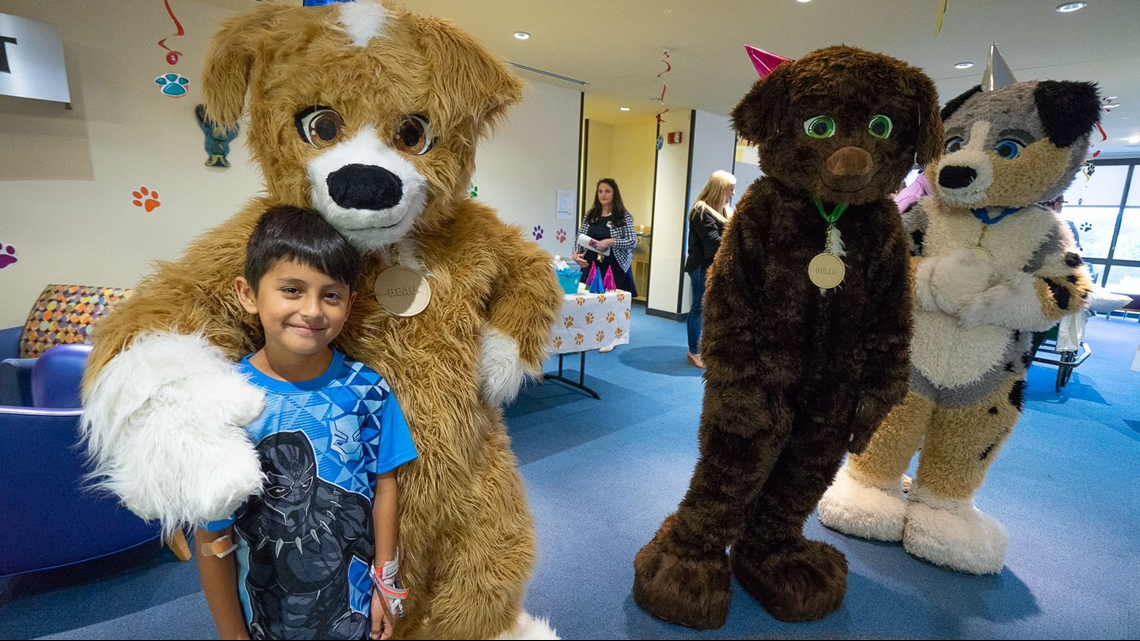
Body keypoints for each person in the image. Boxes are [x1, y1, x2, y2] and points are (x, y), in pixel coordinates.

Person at [195, 206, 418, 641]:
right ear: (248, 293)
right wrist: (232, 634)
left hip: (351, 615)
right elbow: (212, 533)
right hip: (266, 624)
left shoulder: (369, 391)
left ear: (350, 303)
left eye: (330, 295)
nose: (312, 310)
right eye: (292, 290)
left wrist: (386, 585)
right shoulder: (222, 400)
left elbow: (384, 485)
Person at [683, 170, 736, 369]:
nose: (733, 193)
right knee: (698, 308)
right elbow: (713, 244)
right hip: (701, 267)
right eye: (730, 189)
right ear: (720, 189)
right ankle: (693, 351)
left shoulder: (725, 212)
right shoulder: (701, 210)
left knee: (711, 310)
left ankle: (706, 348)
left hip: (715, 267)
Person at [572, 178, 639, 298]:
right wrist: (575, 255)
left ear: (614, 194)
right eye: (600, 191)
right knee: (590, 300)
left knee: (613, 303)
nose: (603, 195)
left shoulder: (623, 216)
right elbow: (579, 237)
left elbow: (632, 241)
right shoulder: (590, 214)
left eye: (607, 191)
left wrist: (611, 242)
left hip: (614, 267)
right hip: (591, 265)